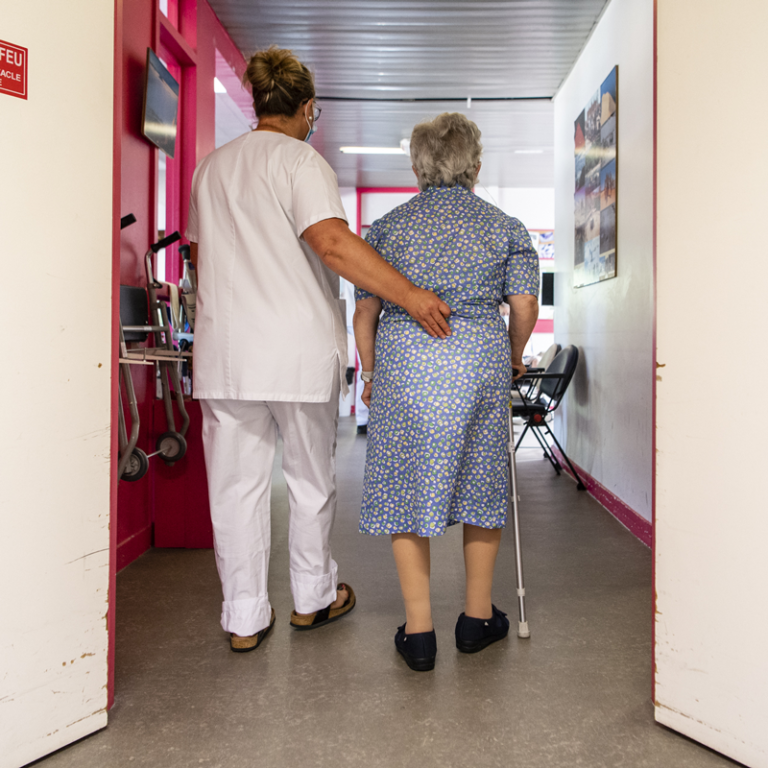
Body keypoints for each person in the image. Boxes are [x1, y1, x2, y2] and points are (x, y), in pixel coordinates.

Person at [186, 47, 451, 653]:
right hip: (295, 351)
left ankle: (245, 618)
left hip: (226, 353)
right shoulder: (300, 161)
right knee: (308, 479)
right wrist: (409, 295)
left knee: (235, 489)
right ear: (307, 108)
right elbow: (331, 244)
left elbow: (200, 259)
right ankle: (312, 598)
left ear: (258, 103)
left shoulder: (212, 168)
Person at [353, 113, 540, 671]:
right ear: (476, 167)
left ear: (416, 167)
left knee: (406, 490)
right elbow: (526, 305)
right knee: (483, 484)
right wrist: (510, 355)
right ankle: (477, 619)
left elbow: (365, 310)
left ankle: (419, 633)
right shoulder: (504, 226)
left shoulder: (385, 229)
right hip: (478, 360)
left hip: (405, 366)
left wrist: (369, 372)